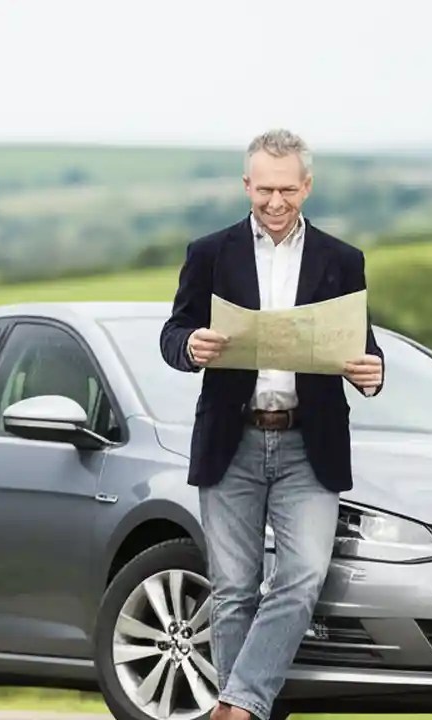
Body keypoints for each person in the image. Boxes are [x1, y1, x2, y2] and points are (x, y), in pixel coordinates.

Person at [159, 128, 384, 720]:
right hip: (231, 441)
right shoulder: (209, 253)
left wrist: (371, 373)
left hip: (311, 446)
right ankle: (243, 709)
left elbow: (365, 349)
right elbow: (172, 334)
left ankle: (236, 704)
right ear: (246, 185)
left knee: (304, 575)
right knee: (233, 589)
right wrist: (192, 347)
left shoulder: (342, 260)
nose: (276, 203)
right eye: (264, 191)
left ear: (306, 186)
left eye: (287, 190)